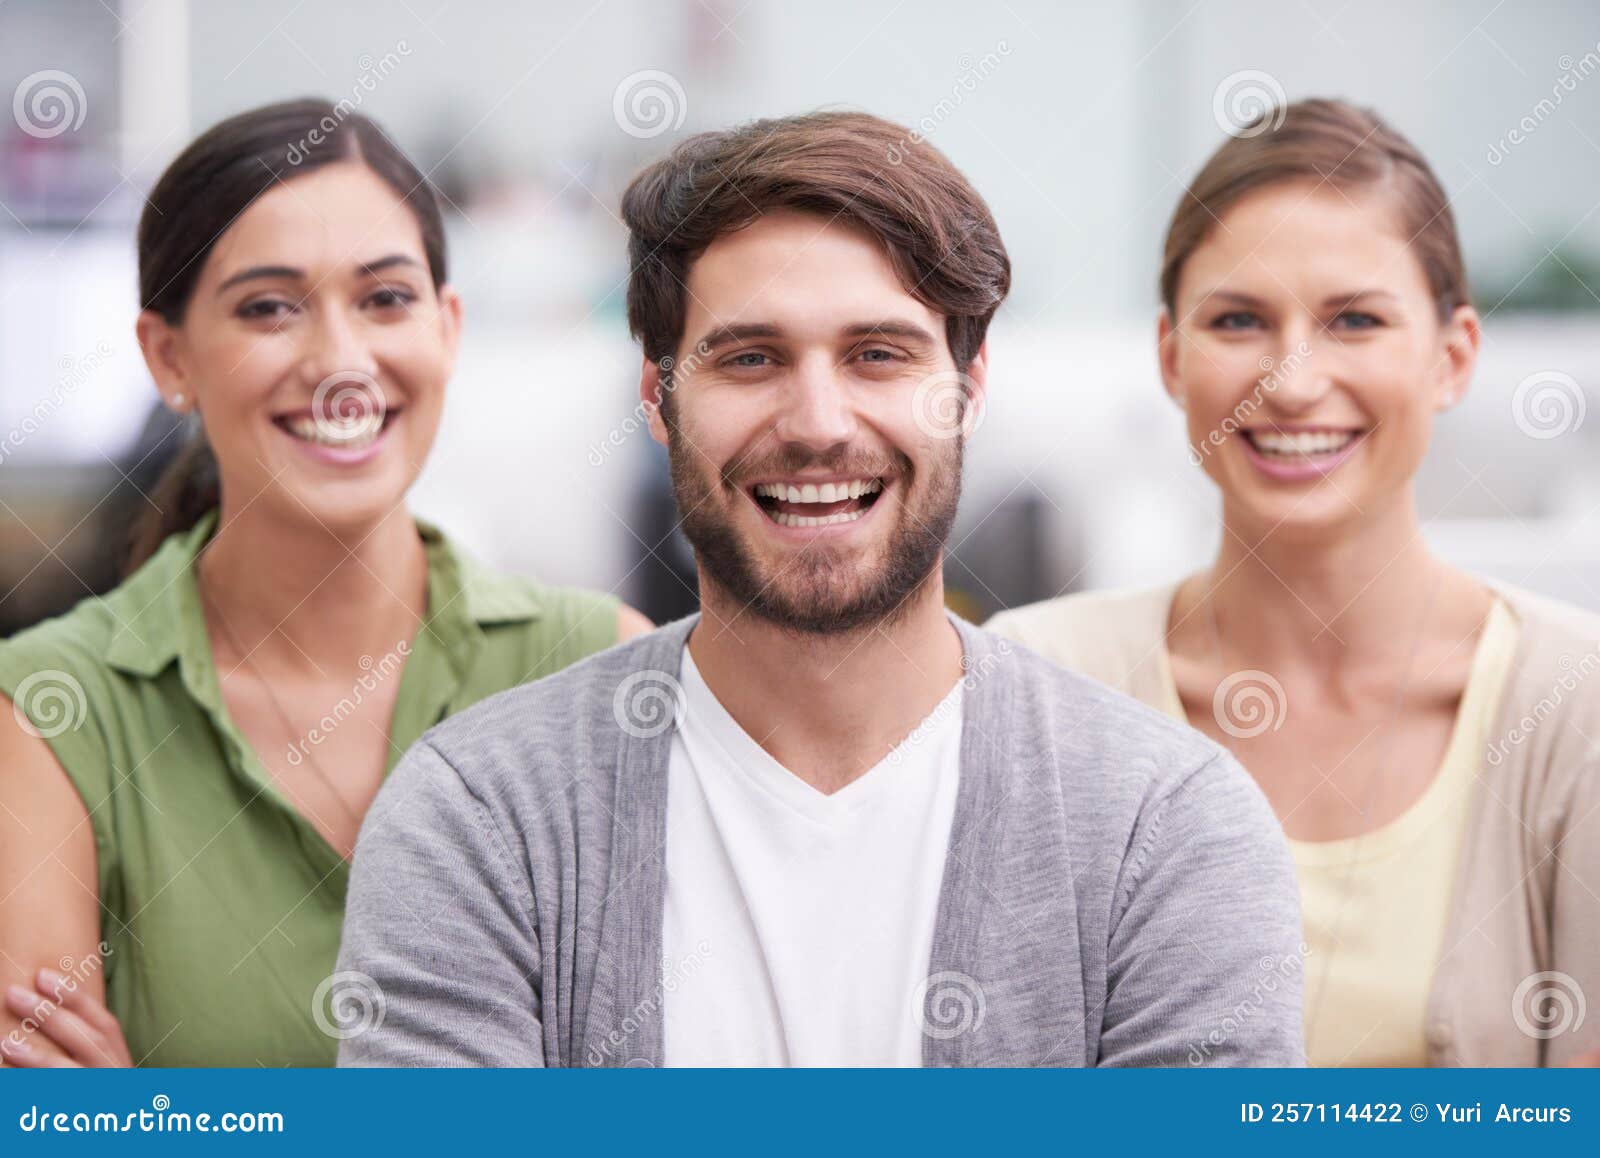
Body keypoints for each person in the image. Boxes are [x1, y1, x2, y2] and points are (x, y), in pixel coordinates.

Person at [335, 110, 1305, 1068]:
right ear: (656, 399)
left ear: (968, 390)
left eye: (876, 354)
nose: (816, 422)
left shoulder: (1165, 828)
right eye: (750, 358)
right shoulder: (482, 820)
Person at [0, 99, 651, 1068]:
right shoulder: (51, 715)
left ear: (447, 327)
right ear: (169, 357)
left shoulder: (601, 670)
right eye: (269, 307)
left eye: (385, 299)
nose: (341, 362)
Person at [989, 99, 1600, 1067]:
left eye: (1354, 319)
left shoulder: (1573, 706)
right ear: (1170, 356)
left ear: (1452, 358)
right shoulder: (1034, 683)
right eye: (1238, 320)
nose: (1291, 380)